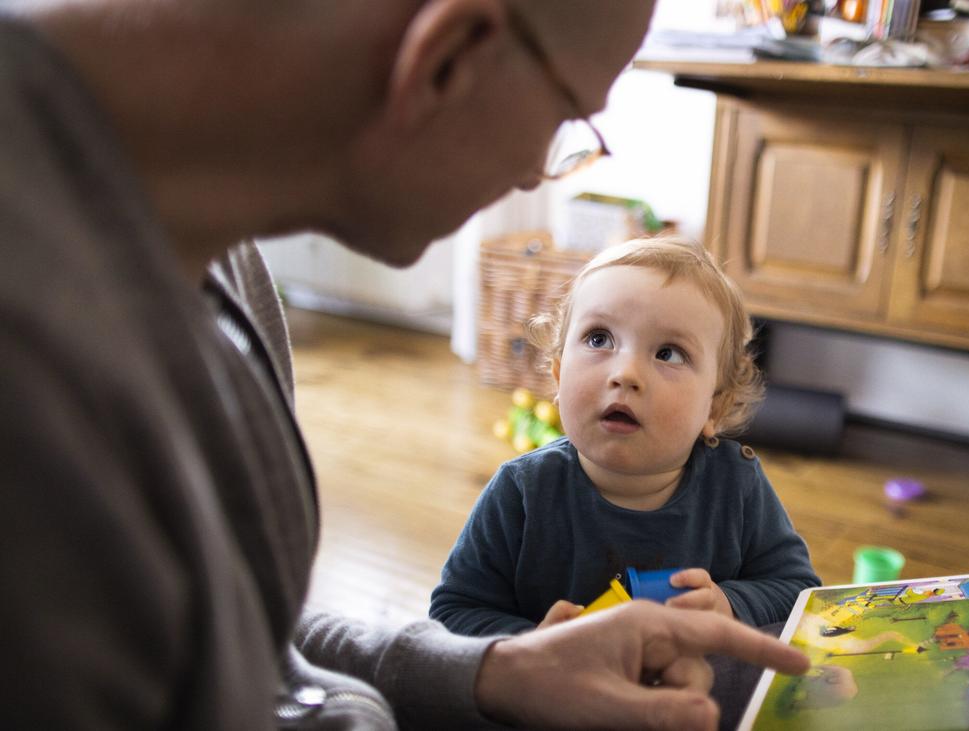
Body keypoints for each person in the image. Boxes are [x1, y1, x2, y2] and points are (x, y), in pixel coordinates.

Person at [0, 1, 810, 729]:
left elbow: (257, 639)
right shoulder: (38, 374)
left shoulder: (228, 267)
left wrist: (495, 671)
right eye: (567, 118)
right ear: (450, 56)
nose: (534, 171)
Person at [430, 237, 821, 636]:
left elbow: (799, 591)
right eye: (599, 339)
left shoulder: (736, 487)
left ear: (713, 408)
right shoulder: (522, 491)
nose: (626, 374)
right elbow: (454, 610)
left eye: (668, 353)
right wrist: (531, 644)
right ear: (559, 377)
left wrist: (728, 604)